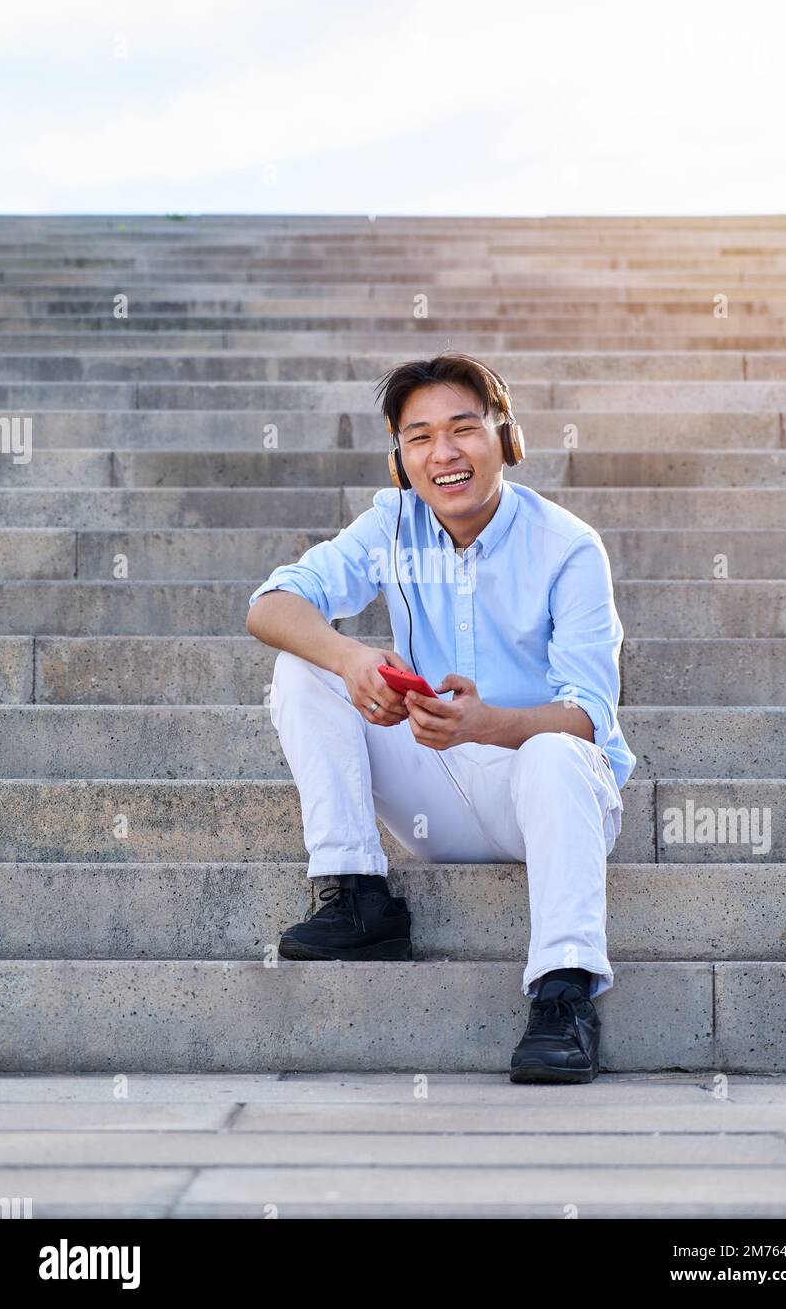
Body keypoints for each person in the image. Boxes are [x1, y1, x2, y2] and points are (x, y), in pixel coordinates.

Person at [245, 351, 635, 1083]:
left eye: (463, 428)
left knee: (554, 749)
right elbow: (270, 606)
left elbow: (588, 719)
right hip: (439, 791)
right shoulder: (391, 523)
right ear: (400, 458)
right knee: (304, 664)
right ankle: (358, 897)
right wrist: (355, 661)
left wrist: (486, 724)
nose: (443, 453)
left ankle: (564, 993)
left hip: (546, 796)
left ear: (505, 440)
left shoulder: (568, 547)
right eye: (419, 436)